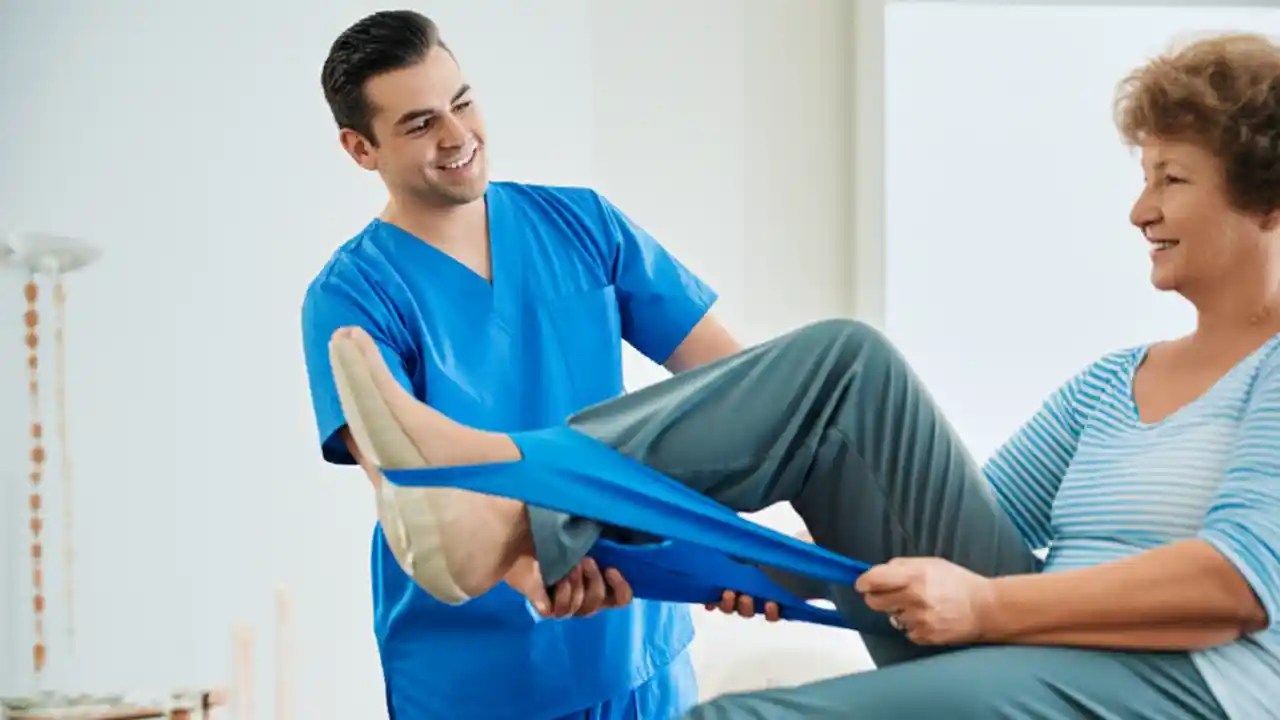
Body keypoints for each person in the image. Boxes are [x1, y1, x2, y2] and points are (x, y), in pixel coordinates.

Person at [322, 32, 1280, 719]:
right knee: (842, 367)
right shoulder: (1108, 383)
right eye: (1144, 174)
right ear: (363, 149)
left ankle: (508, 490)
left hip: (1182, 675)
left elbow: (1239, 585)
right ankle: (512, 507)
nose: (1137, 208)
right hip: (1028, 642)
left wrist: (990, 606)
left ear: (1265, 198)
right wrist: (736, 562)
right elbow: (884, 507)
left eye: (1171, 179)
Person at [300, 9, 749, 720]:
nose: (457, 137)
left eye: (463, 102)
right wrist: (524, 561)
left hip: (634, 639)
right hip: (479, 672)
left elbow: (740, 388)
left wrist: (734, 537)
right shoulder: (353, 296)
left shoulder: (584, 225)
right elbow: (408, 493)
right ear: (361, 148)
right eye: (419, 124)